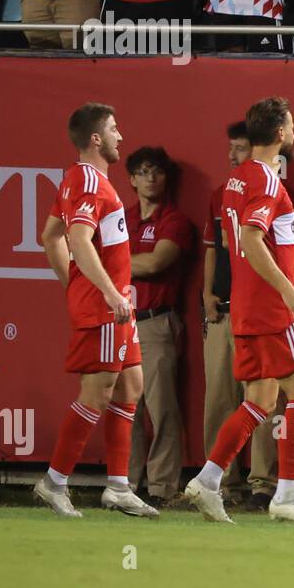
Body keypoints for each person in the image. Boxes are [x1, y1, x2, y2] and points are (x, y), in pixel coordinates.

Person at [184, 97, 294, 526]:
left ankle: (208, 480)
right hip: (271, 309)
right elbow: (248, 238)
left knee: (259, 401)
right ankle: (287, 495)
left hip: (246, 308)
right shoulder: (266, 182)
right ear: (280, 134)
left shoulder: (236, 181)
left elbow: (234, 244)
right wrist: (288, 289)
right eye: (293, 124)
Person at [34, 103, 157, 520]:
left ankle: (119, 487)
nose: (121, 136)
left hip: (114, 305)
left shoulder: (81, 178)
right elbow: (79, 240)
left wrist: (76, 285)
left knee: (131, 387)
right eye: (115, 129)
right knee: (97, 393)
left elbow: (51, 236)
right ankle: (54, 482)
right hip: (110, 308)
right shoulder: (89, 181)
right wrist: (104, 293)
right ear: (96, 139)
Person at [123, 146, 195, 508]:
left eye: (158, 171)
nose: (151, 178)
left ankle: (163, 487)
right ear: (132, 178)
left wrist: (109, 262)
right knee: (125, 407)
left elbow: (155, 263)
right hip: (121, 321)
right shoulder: (122, 218)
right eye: (144, 171)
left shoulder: (175, 221)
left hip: (155, 322)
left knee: (161, 406)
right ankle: (126, 484)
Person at [202, 121, 250, 507]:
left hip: (261, 315)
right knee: (220, 399)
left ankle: (265, 485)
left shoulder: (281, 194)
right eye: (230, 147)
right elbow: (213, 250)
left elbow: (291, 259)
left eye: (239, 148)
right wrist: (206, 292)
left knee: (266, 401)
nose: (231, 156)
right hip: (223, 312)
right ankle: (220, 484)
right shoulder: (219, 195)